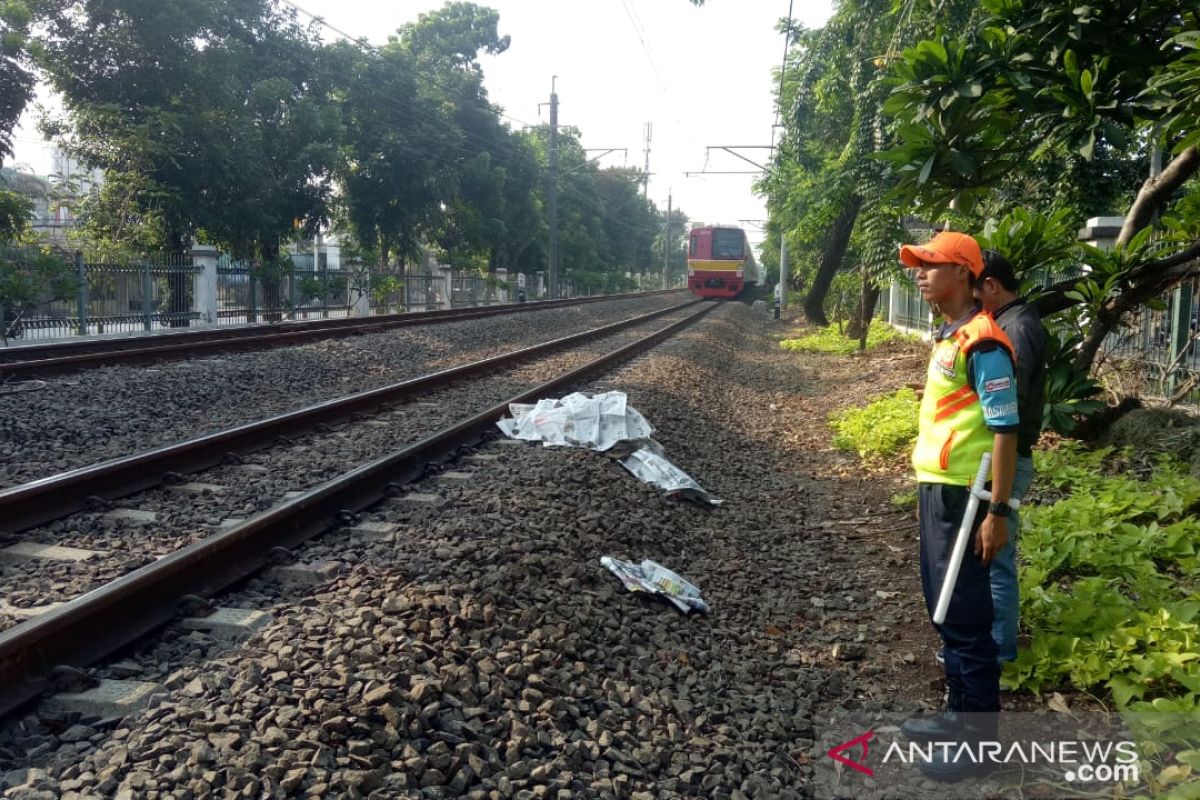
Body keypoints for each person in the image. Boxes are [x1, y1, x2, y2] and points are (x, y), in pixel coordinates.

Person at [897, 231, 1019, 780]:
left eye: (932, 265)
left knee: (968, 616)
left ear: (965, 274)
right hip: (938, 486)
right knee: (942, 607)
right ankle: (956, 717)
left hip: (966, 498)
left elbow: (1005, 430)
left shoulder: (983, 343)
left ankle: (979, 748)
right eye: (919, 266)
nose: (920, 274)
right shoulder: (950, 334)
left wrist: (998, 511)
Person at [973, 250, 1047, 664]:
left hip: (1007, 455)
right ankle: (990, 644)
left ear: (992, 286)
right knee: (988, 552)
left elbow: (1007, 406)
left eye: (974, 288)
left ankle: (999, 654)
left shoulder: (1015, 328)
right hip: (1001, 453)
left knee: (996, 551)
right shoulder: (1012, 321)